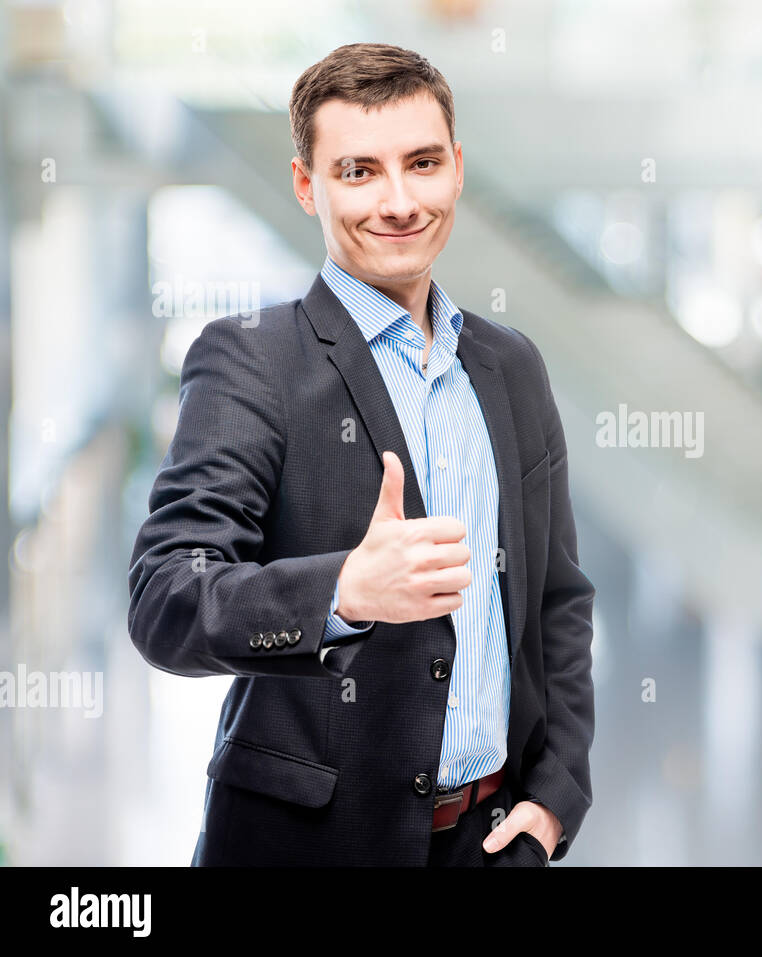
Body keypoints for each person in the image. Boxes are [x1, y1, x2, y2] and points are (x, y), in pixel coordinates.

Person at [126, 42, 595, 866]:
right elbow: (167, 598)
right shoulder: (251, 361)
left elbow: (558, 603)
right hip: (307, 847)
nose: (399, 200)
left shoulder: (511, 366)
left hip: (490, 842)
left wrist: (555, 798)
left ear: (458, 168)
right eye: (358, 171)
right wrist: (343, 589)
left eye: (422, 163)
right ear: (307, 185)